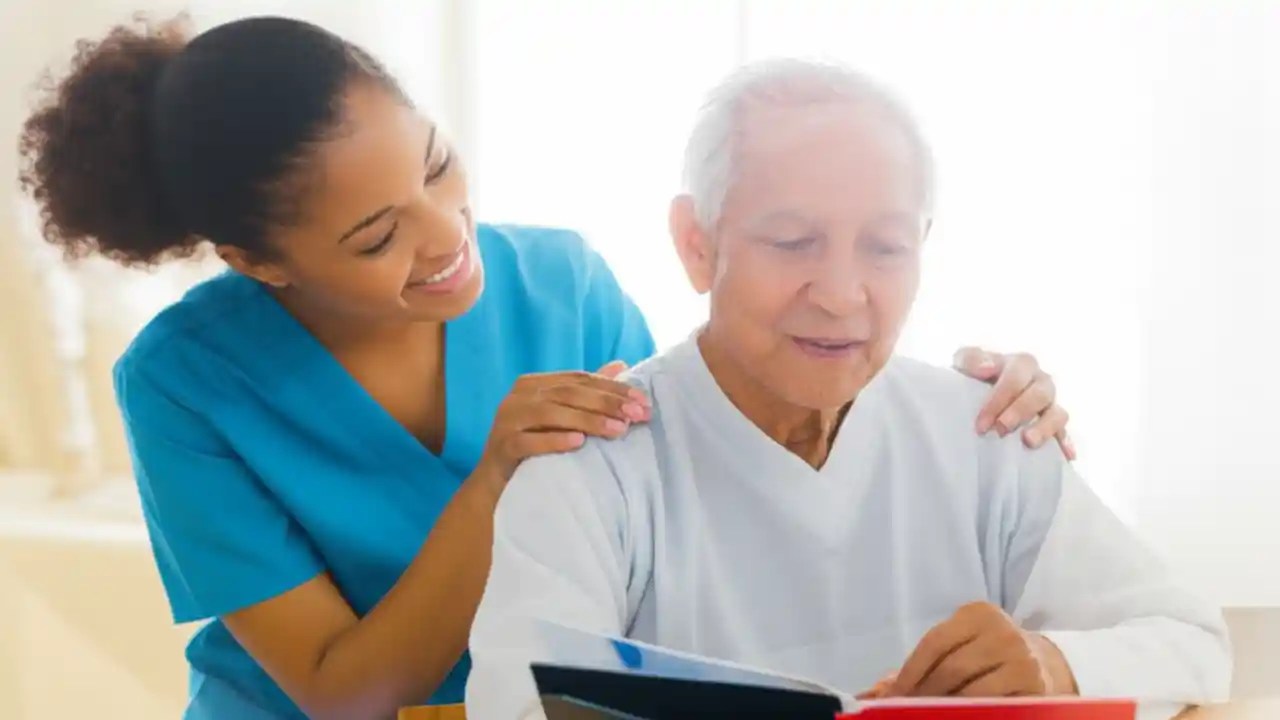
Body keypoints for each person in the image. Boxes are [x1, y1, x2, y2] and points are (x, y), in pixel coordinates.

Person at [19, 16, 1076, 720]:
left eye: (436, 165)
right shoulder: (181, 382)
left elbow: (709, 470)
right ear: (260, 262)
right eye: (380, 236)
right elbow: (344, 693)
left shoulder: (558, 279)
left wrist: (950, 410)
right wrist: (493, 482)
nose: (447, 238)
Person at [464, 59, 1232, 720]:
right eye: (793, 241)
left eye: (885, 247)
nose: (840, 292)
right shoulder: (593, 464)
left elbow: (1191, 643)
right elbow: (514, 703)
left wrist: (1053, 665)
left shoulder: (989, 434)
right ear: (697, 244)